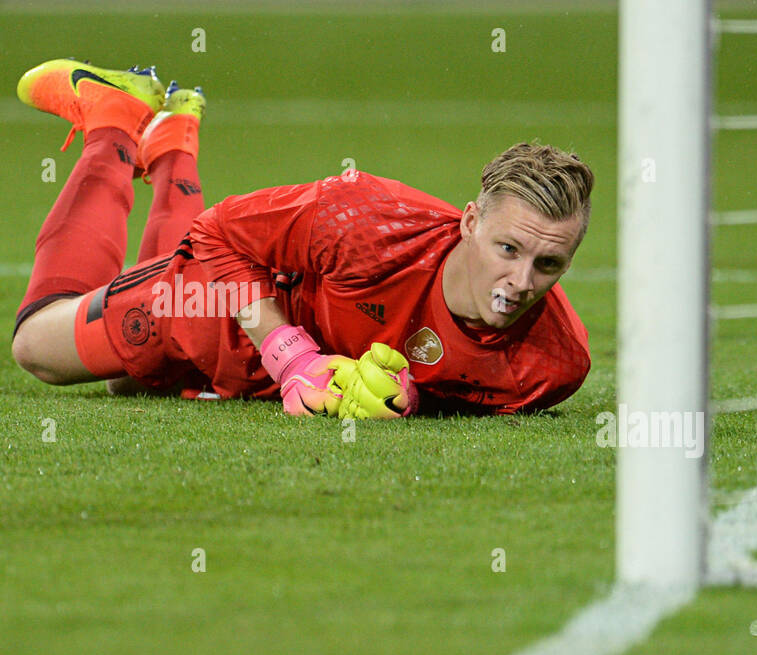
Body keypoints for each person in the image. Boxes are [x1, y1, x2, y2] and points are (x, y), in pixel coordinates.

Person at [11, 59, 594, 417]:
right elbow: (215, 233)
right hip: (231, 307)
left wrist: (406, 398)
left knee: (128, 386)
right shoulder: (366, 220)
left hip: (271, 379)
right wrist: (291, 357)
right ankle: (115, 119)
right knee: (39, 348)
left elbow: (460, 388)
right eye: (508, 250)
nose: (519, 284)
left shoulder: (553, 365)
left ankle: (171, 144)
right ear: (470, 223)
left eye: (549, 264)